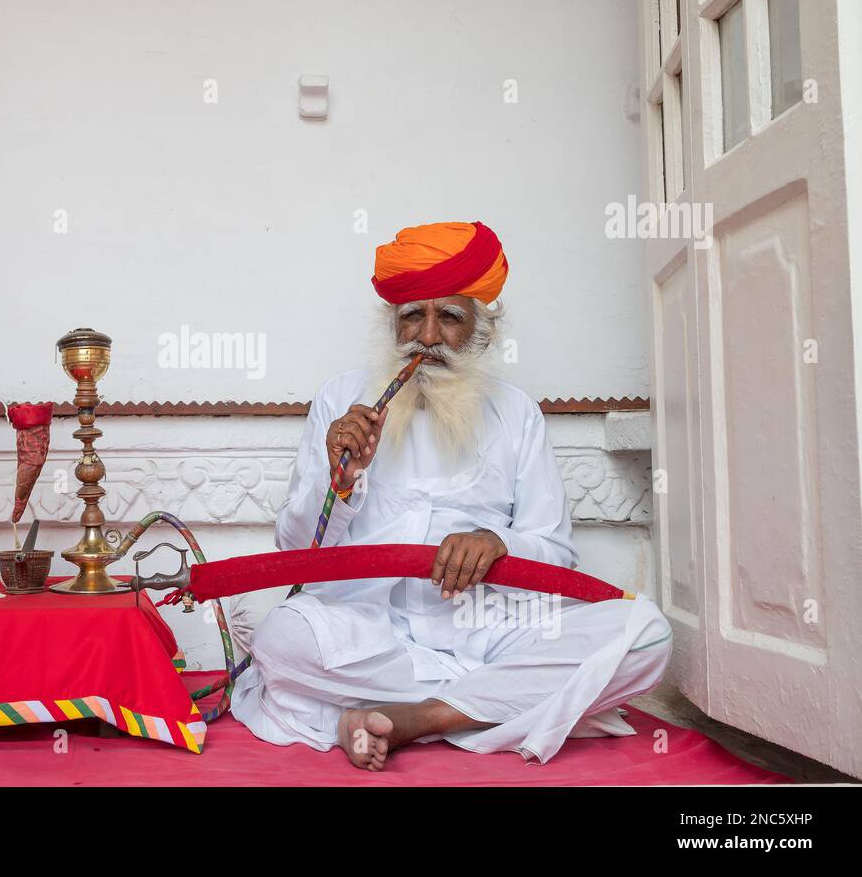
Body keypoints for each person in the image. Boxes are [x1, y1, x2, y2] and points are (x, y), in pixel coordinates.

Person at [230, 221, 672, 770]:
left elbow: (557, 554)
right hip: (374, 632)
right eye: (413, 315)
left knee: (645, 633)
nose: (429, 336)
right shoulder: (342, 399)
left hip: (488, 628)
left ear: (481, 331)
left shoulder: (515, 413)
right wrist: (339, 483)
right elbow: (298, 554)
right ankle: (503, 702)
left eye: (451, 318)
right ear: (392, 325)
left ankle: (422, 718)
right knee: (282, 637)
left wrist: (498, 542)